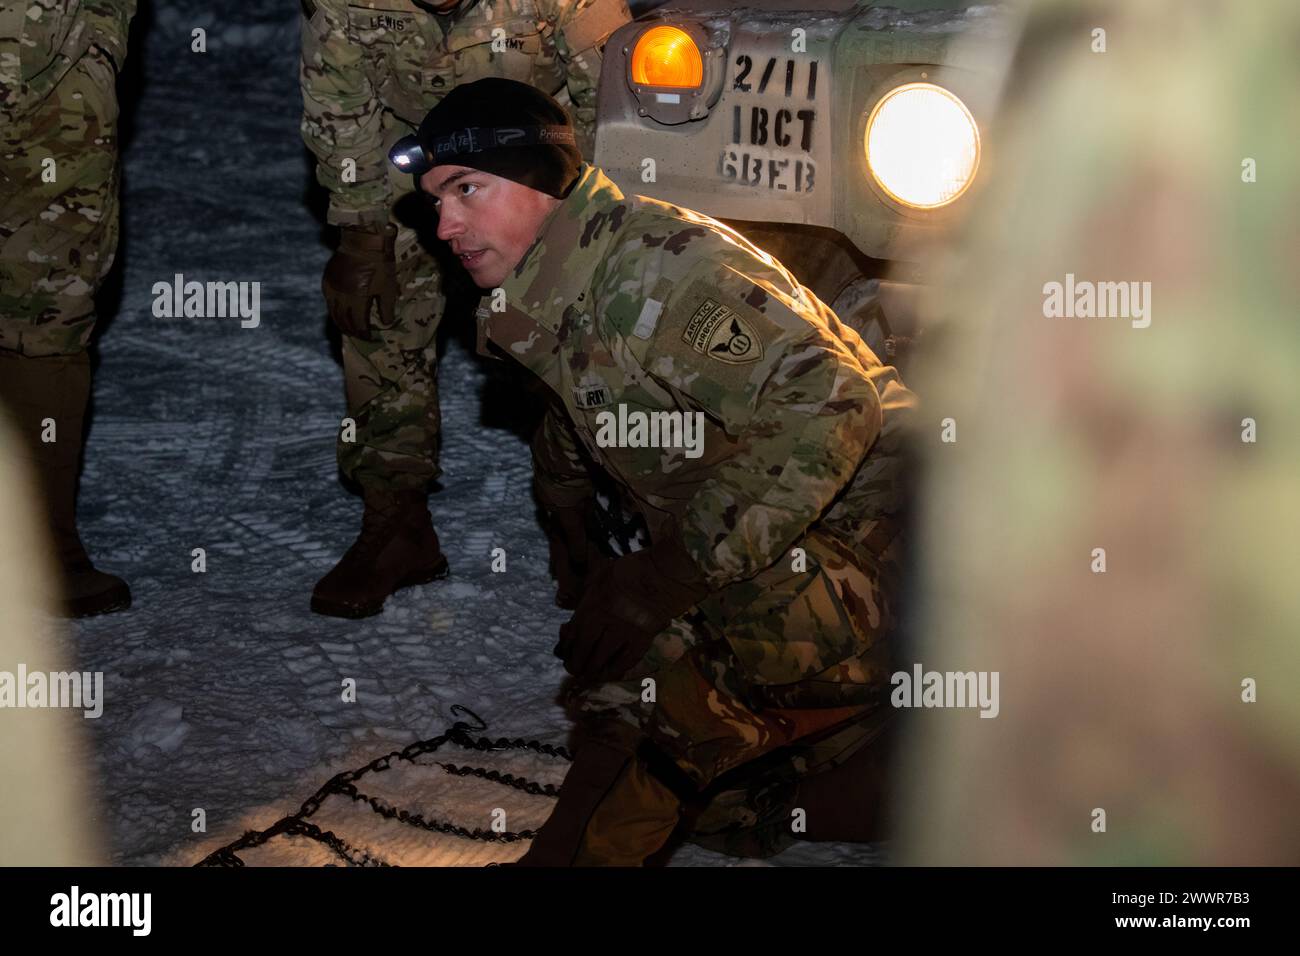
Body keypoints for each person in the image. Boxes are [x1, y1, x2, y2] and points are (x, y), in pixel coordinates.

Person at [393, 78, 917, 864]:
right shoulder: (564, 281)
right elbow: (590, 401)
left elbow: (833, 403)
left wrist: (666, 575)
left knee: (651, 674)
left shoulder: (658, 272)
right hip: (819, 544)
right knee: (716, 804)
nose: (446, 224)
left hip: (916, 555)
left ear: (543, 183)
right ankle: (889, 765)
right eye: (435, 202)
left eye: (467, 189)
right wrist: (565, 511)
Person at [302, 0, 631, 618]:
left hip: (537, 159)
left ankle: (587, 521)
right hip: (413, 161)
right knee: (378, 309)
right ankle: (397, 524)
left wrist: (587, 226)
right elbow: (340, 108)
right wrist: (360, 231)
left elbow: (613, 100)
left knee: (576, 325)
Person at [0, 0, 136, 617]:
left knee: (48, 298)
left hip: (56, 70)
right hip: (56, 65)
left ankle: (39, 545)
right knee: (48, 297)